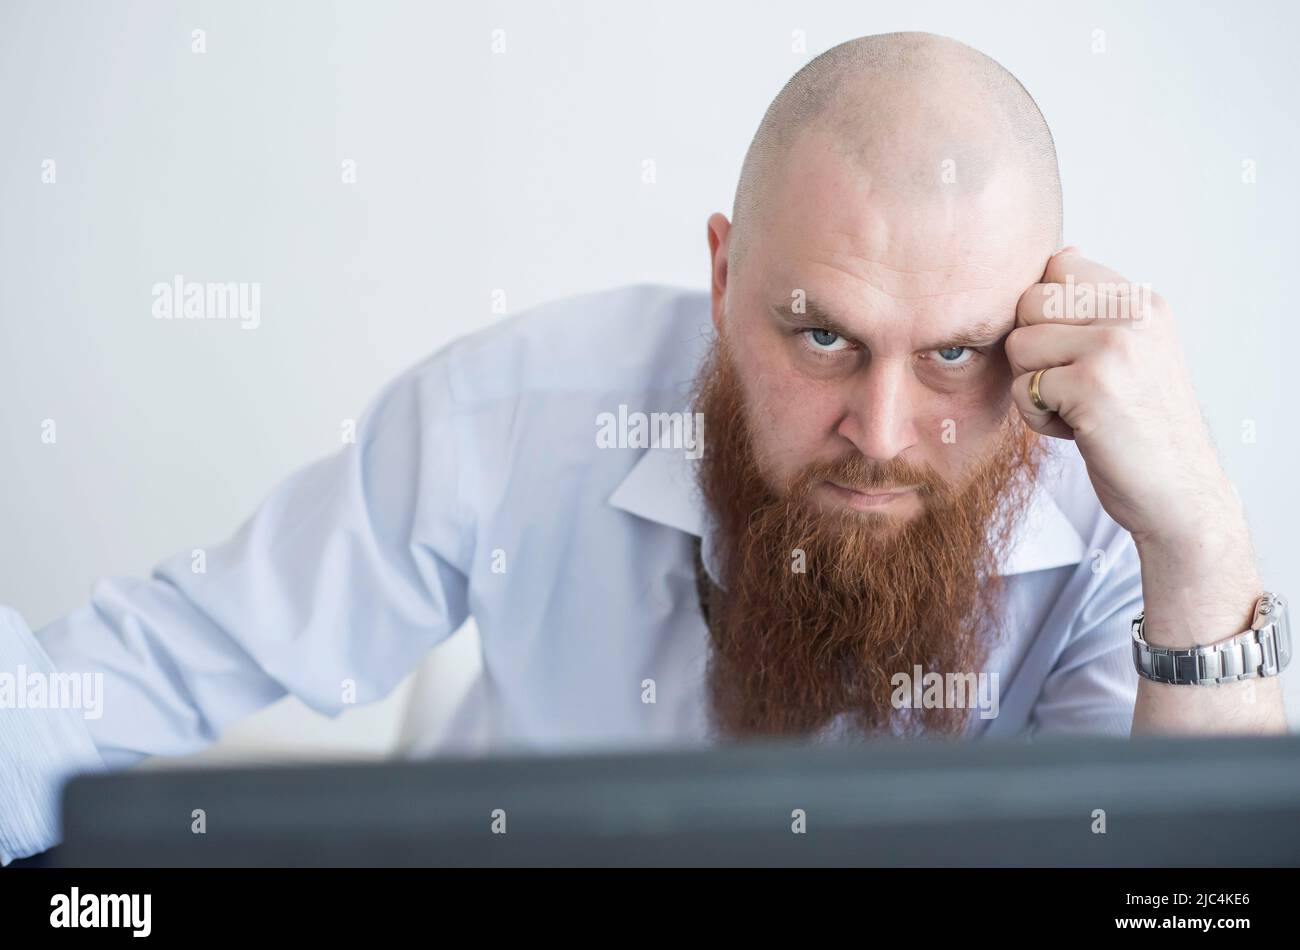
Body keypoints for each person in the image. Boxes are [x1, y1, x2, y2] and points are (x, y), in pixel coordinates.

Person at [1, 32, 1287, 865]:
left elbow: (1182, 901)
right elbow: (143, 668)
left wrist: (1200, 539)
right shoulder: (513, 420)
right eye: (820, 335)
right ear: (724, 277)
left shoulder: (1110, 521)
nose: (883, 435)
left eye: (955, 353)